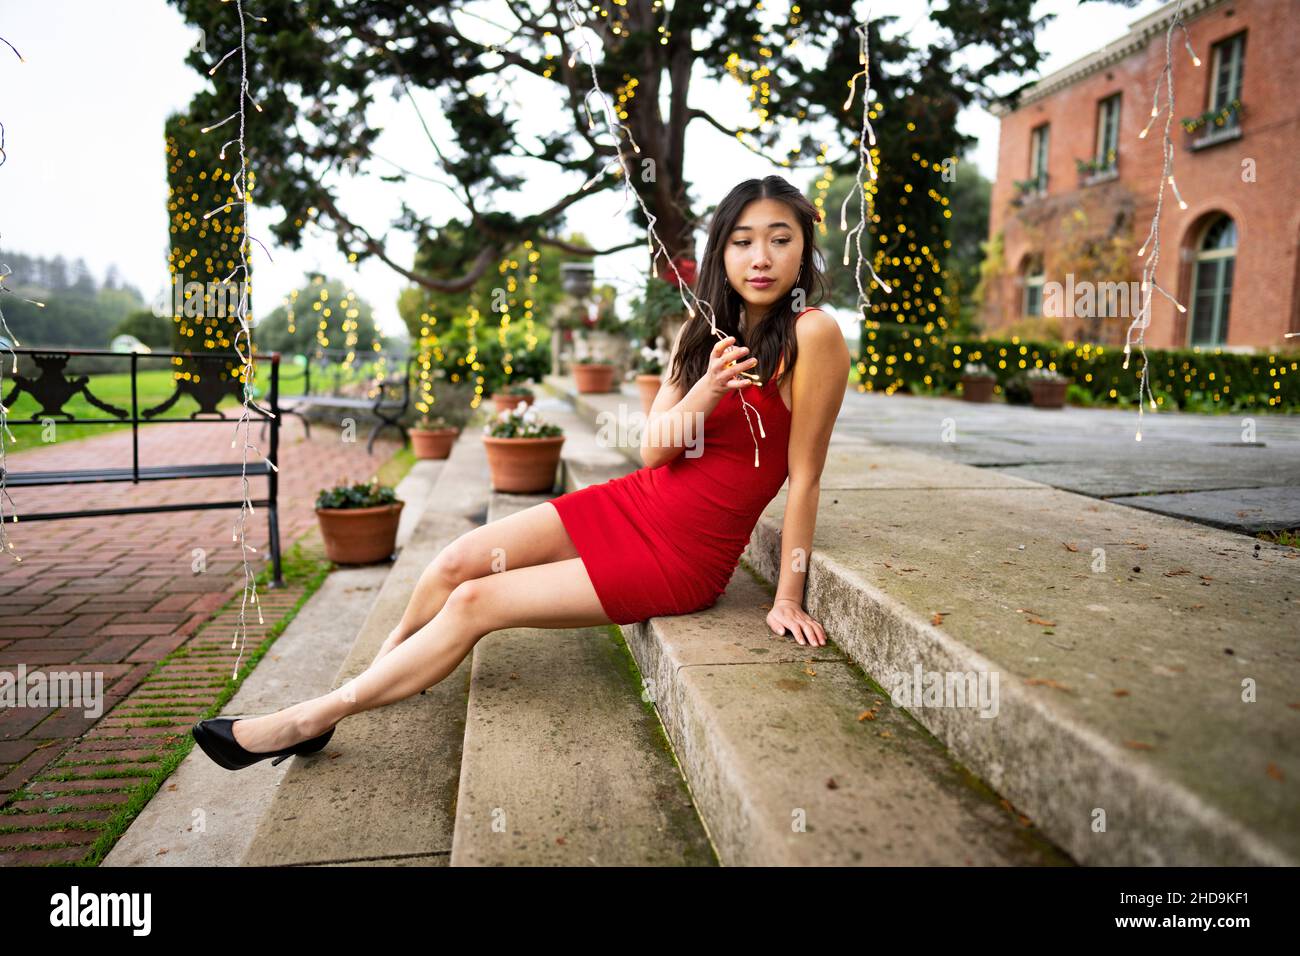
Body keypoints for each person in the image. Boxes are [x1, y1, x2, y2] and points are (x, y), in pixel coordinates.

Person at [191, 174, 851, 771]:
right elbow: (655, 452)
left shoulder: (813, 336)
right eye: (742, 242)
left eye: (778, 240)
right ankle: (385, 669)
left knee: (475, 602)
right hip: (636, 501)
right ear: (722, 253)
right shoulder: (700, 332)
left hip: (683, 555)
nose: (759, 258)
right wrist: (706, 390)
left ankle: (308, 719)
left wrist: (787, 595)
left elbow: (806, 476)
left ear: (803, 251)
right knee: (456, 562)